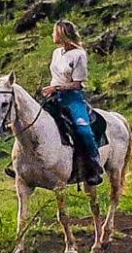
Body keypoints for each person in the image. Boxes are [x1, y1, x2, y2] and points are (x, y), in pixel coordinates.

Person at [42, 19, 102, 185]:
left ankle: (93, 163)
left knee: (84, 131)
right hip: (53, 97)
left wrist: (57, 88)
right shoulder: (56, 53)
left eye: (54, 32)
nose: (52, 35)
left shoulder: (79, 55)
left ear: (62, 33)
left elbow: (77, 84)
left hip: (72, 97)